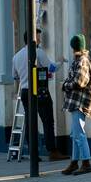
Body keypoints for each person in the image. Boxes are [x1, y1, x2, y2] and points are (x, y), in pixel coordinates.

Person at [13, 32, 64, 160]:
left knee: (30, 122)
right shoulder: (38, 52)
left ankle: (33, 153)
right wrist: (61, 63)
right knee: (47, 120)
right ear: (34, 39)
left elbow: (14, 76)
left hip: (25, 91)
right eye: (38, 36)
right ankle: (52, 151)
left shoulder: (16, 56)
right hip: (39, 90)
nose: (40, 39)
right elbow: (51, 68)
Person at [61, 34, 91, 176]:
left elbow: (80, 82)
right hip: (78, 101)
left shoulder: (82, 61)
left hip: (80, 101)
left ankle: (86, 162)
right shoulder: (84, 59)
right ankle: (74, 161)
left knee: (79, 133)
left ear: (74, 48)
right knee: (75, 133)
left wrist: (65, 85)